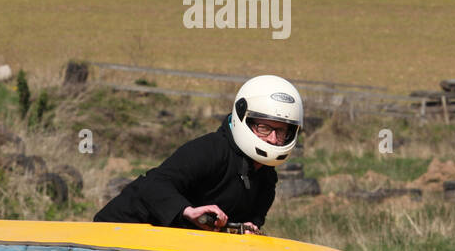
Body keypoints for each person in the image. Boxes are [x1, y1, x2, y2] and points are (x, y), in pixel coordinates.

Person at [93, 74, 303, 234]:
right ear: (244, 119)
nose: (273, 139)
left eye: (282, 131)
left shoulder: (266, 179)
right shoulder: (210, 150)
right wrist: (187, 211)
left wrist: (246, 229)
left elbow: (247, 223)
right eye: (264, 128)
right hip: (121, 233)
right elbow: (153, 184)